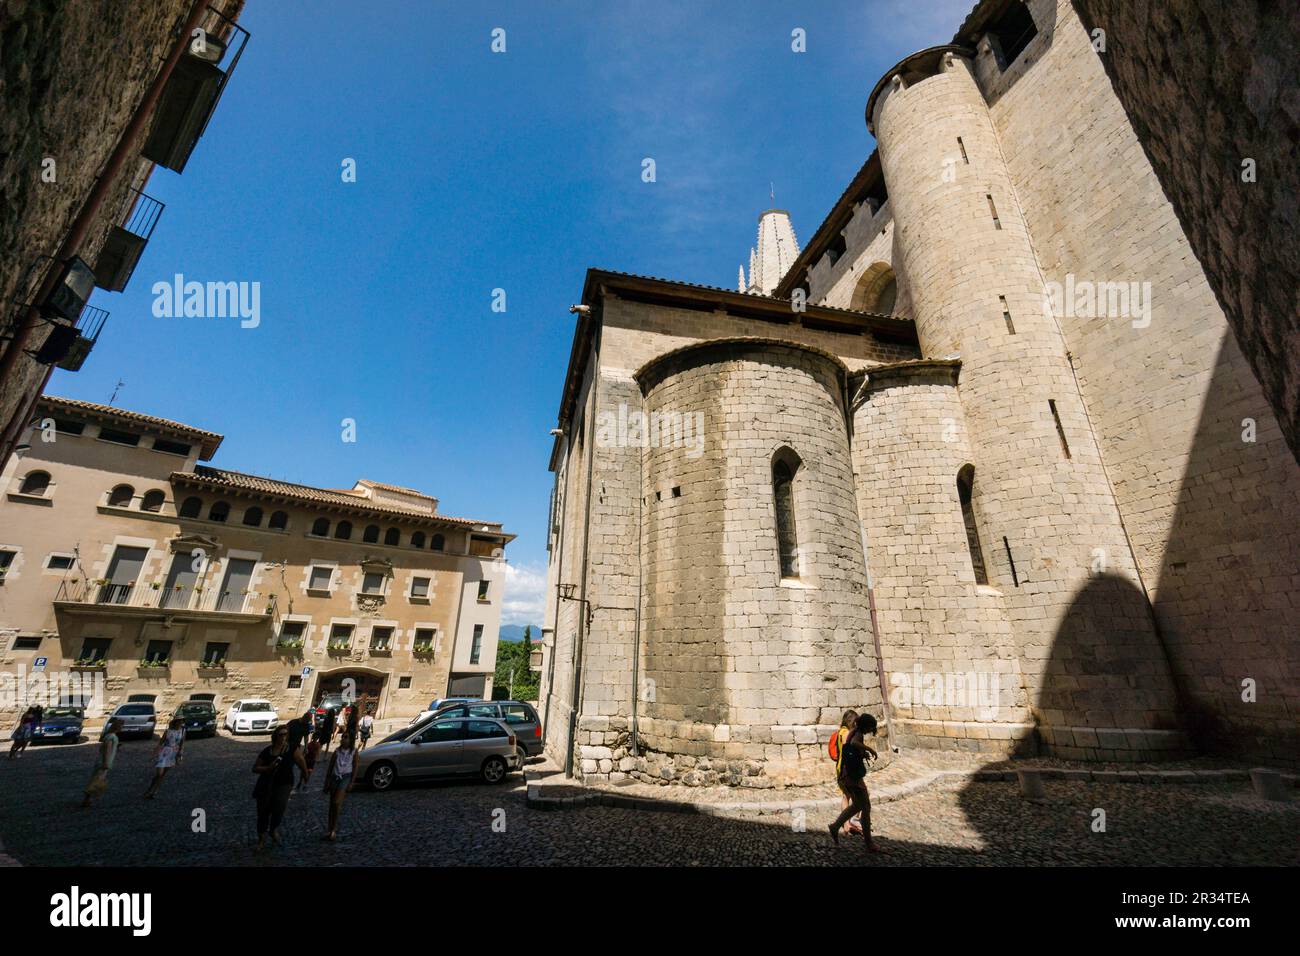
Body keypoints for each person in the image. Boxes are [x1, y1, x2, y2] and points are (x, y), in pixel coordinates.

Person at [828, 713, 885, 853]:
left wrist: (862, 753)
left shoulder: (852, 731)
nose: (869, 731)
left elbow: (852, 748)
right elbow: (854, 744)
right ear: (866, 726)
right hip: (853, 777)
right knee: (865, 807)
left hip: (847, 775)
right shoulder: (858, 733)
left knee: (858, 805)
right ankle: (869, 843)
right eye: (870, 728)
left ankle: (835, 826)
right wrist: (869, 749)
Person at [252, 725, 308, 851]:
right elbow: (255, 768)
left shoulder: (292, 749)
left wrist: (305, 775)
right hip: (266, 785)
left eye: (285, 734)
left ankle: (273, 829)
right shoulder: (267, 751)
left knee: (279, 808)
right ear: (275, 736)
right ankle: (261, 840)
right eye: (281, 734)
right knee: (263, 812)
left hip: (285, 783)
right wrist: (267, 768)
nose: (283, 737)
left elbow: (301, 761)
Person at [830, 709, 863, 837]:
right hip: (847, 770)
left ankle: (846, 826)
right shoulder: (845, 734)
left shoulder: (841, 732)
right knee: (860, 797)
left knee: (846, 796)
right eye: (855, 723)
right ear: (851, 722)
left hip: (841, 769)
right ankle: (852, 822)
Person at [323, 731, 358, 841]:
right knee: (331, 804)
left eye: (346, 737)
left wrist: (352, 782)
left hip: (345, 777)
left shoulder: (354, 752)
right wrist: (326, 782)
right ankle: (329, 829)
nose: (343, 739)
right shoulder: (336, 752)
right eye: (343, 737)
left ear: (350, 739)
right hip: (334, 777)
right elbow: (330, 767)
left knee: (337, 803)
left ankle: (334, 828)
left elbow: (355, 767)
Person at [82, 719, 122, 808]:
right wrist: (106, 762)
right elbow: (107, 750)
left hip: (103, 761)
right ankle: (87, 800)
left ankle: (88, 799)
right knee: (96, 781)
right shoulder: (112, 737)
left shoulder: (108, 736)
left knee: (96, 780)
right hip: (104, 762)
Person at [143, 717, 186, 798]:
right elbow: (160, 743)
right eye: (179, 721)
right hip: (164, 753)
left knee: (163, 775)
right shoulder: (168, 731)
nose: (181, 723)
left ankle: (154, 791)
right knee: (159, 774)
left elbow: (182, 744)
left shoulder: (183, 731)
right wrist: (154, 754)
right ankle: (150, 789)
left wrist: (180, 754)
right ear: (175, 722)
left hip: (173, 754)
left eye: (182, 721)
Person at [287, 710, 313, 791]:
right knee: (289, 764)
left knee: (300, 764)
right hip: (288, 746)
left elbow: (306, 737)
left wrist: (306, 747)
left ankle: (303, 782)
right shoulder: (293, 722)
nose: (307, 721)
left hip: (296, 748)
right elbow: (286, 732)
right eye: (307, 720)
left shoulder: (306, 726)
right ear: (304, 717)